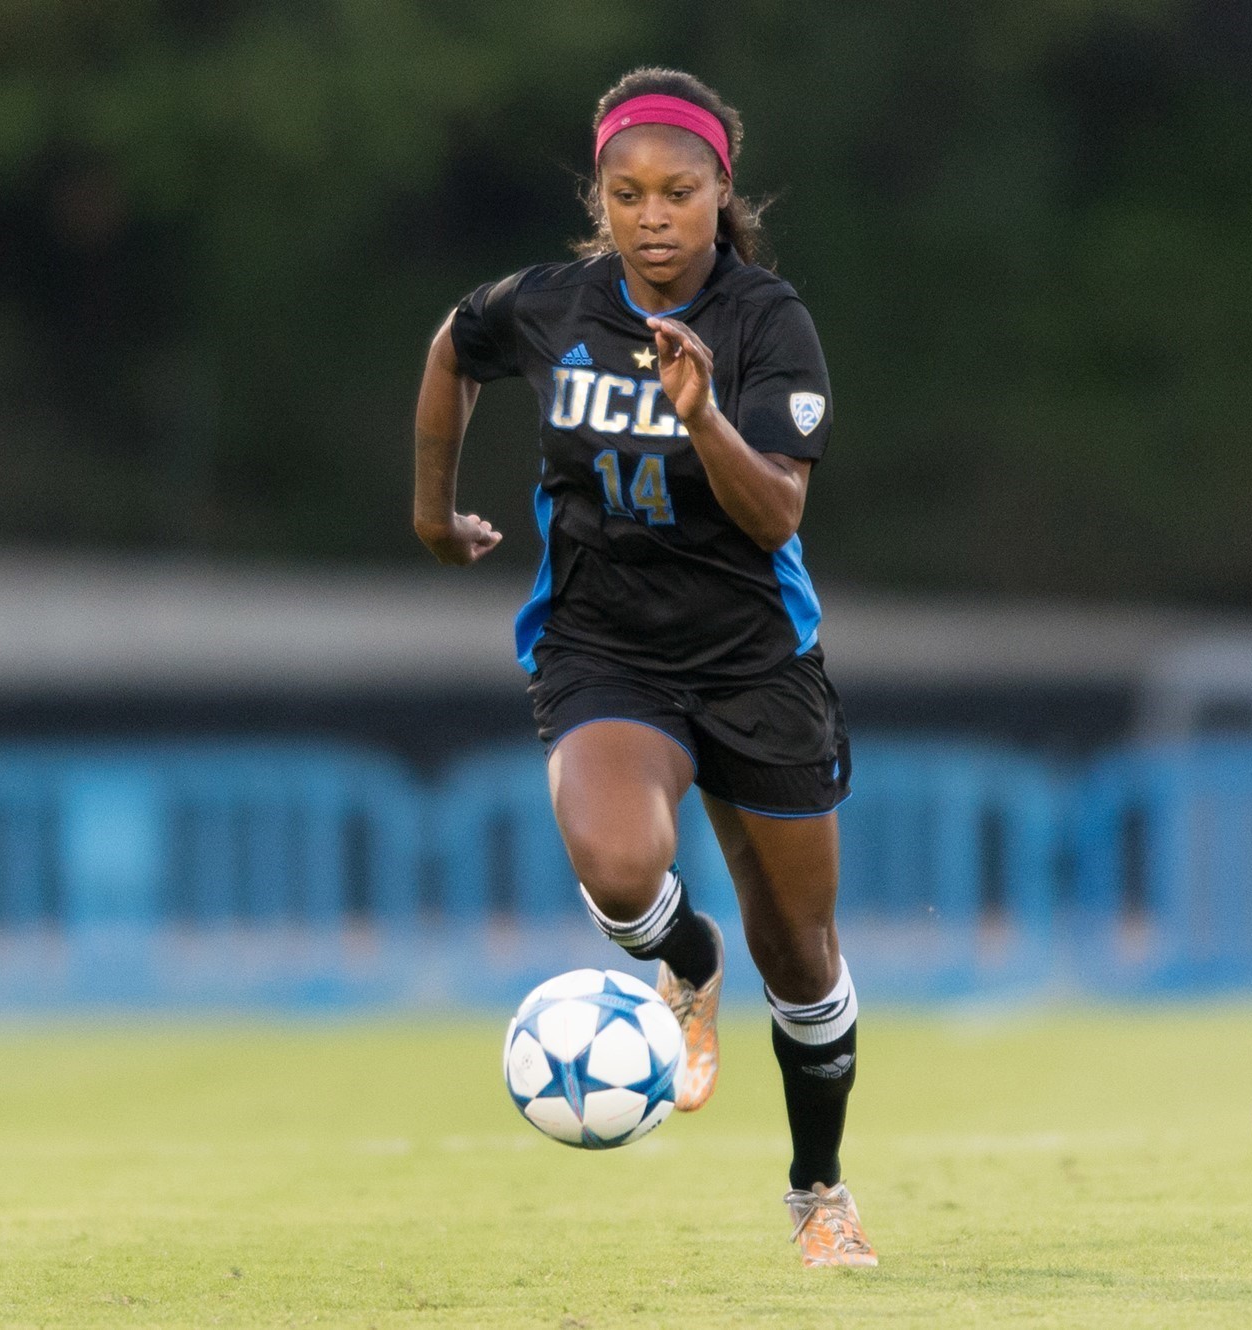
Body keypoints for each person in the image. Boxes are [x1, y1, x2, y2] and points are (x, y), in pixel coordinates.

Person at [411, 68, 874, 1268]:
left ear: (722, 193)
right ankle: (684, 961)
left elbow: (775, 517)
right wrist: (431, 511)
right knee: (619, 863)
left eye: (678, 191)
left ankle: (817, 1189)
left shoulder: (768, 323)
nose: (652, 215)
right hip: (603, 646)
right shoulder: (553, 305)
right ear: (598, 199)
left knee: (805, 961)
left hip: (754, 663)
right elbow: (454, 349)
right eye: (627, 193)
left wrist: (704, 415)